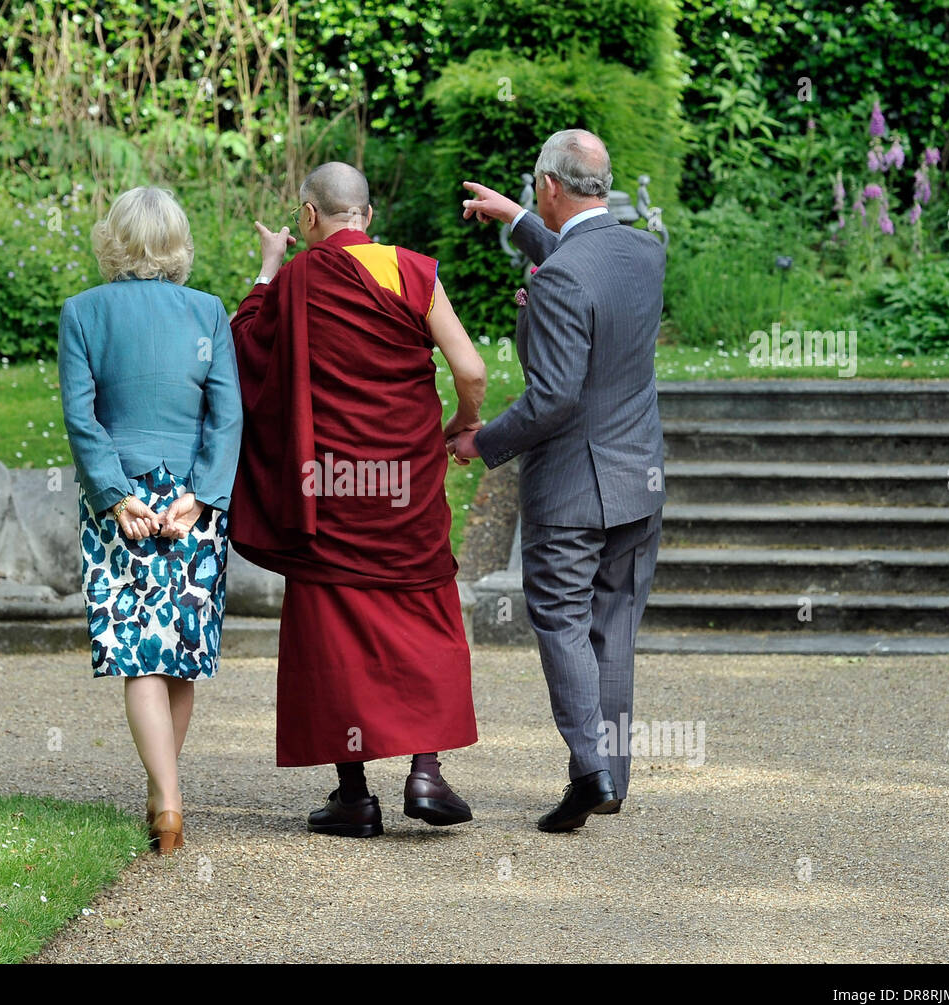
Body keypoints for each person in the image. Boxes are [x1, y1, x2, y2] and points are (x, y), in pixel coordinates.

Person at [231, 162, 486, 837]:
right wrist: (461, 422)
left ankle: (355, 796)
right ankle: (426, 772)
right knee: (425, 604)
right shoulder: (410, 271)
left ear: (311, 218)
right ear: (366, 217)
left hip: (334, 489)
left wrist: (267, 265)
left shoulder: (296, 279)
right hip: (405, 484)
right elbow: (472, 369)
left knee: (332, 621)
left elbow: (244, 349)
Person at [449, 129, 666, 833]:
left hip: (573, 488)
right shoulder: (644, 253)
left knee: (563, 622)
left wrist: (482, 441)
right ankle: (613, 776)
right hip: (640, 481)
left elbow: (553, 399)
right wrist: (517, 221)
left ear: (549, 185)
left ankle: (589, 768)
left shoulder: (560, 281)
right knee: (613, 628)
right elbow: (586, 265)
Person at [58, 186, 243, 855]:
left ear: (113, 240)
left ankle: (165, 799)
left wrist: (114, 495)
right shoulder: (208, 312)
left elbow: (83, 417)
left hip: (122, 503)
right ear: (177, 243)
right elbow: (228, 414)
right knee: (182, 658)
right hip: (192, 501)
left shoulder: (82, 313)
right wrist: (203, 495)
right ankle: (163, 791)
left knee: (139, 655)